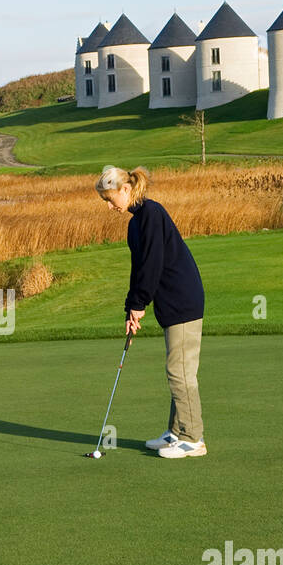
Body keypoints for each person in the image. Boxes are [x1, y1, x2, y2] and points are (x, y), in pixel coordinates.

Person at [95, 165, 206, 459]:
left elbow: (153, 265)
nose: (109, 206)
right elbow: (139, 269)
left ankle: (193, 438)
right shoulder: (137, 222)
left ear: (126, 190)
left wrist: (140, 303)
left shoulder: (152, 215)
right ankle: (177, 432)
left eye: (110, 199)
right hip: (172, 302)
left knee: (179, 371)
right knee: (178, 370)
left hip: (183, 300)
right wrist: (132, 306)